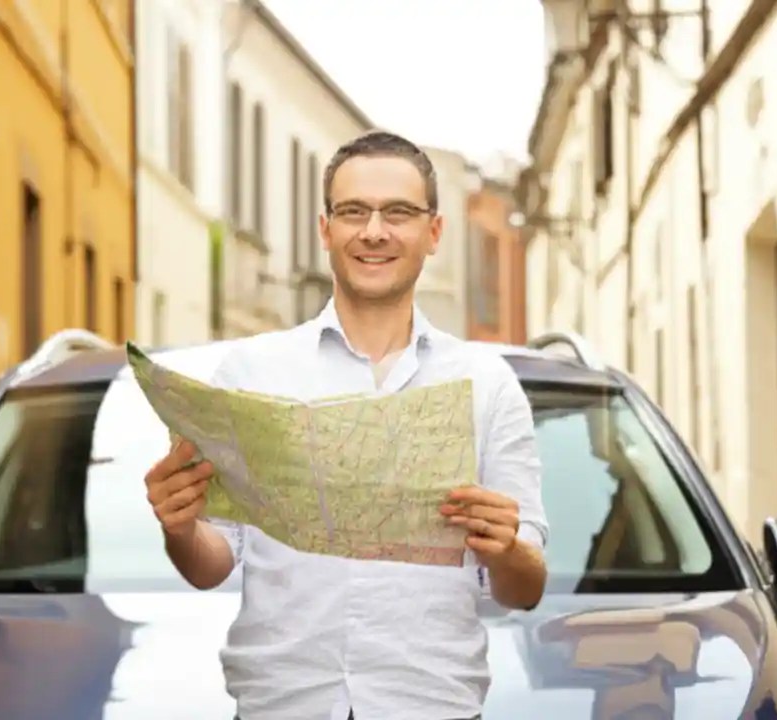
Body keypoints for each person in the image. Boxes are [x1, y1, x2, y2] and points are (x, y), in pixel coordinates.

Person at [143, 130, 549, 720]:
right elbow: (213, 564)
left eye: (399, 213)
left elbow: (524, 588)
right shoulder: (250, 371)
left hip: (432, 707)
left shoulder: (487, 385)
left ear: (434, 232)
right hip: (280, 707)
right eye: (353, 211)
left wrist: (509, 548)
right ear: (324, 229)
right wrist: (178, 528)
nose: (375, 231)